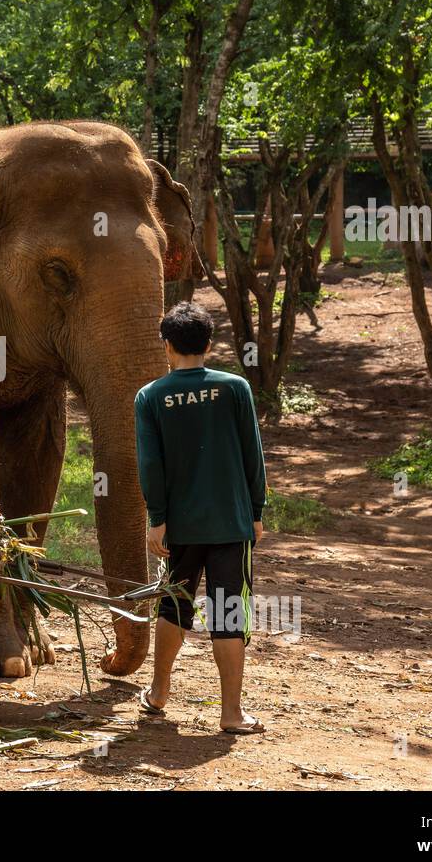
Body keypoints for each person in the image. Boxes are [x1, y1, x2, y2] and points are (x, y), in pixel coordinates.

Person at [134, 301, 267, 734]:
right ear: (209, 344)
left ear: (166, 345)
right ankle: (231, 714)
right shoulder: (234, 388)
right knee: (229, 613)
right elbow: (253, 454)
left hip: (181, 527)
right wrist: (257, 512)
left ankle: (158, 693)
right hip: (231, 522)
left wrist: (157, 519)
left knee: (174, 604)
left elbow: (150, 465)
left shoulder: (151, 396)